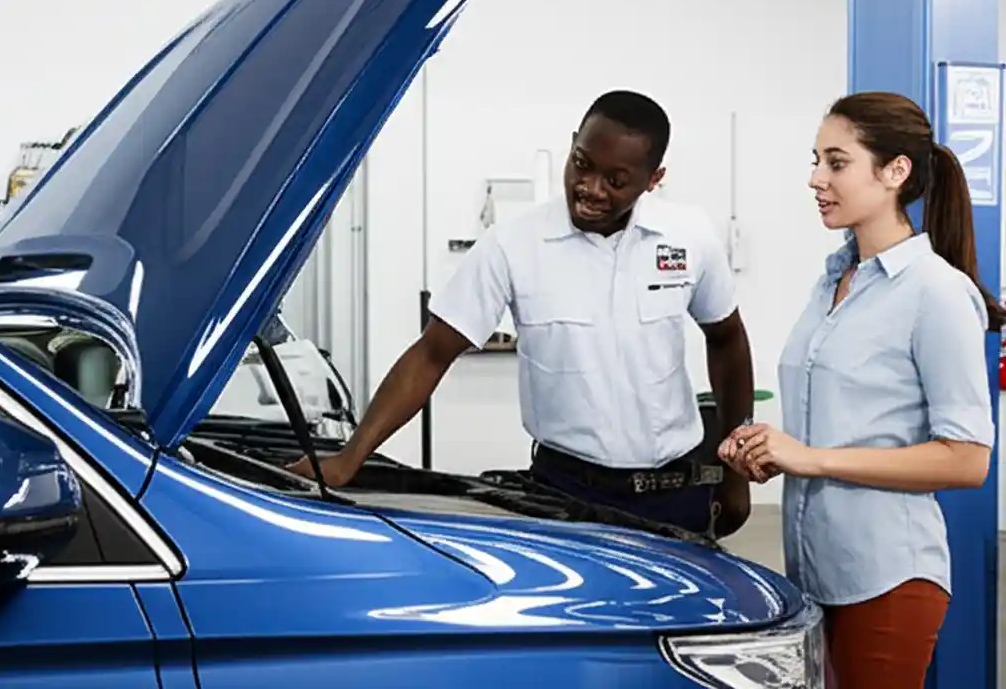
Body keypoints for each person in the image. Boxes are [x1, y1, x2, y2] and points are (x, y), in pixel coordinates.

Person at [289, 89, 756, 537]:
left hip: (674, 496)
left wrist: (734, 471)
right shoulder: (513, 244)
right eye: (582, 165)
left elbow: (728, 340)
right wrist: (349, 459)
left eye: (616, 181)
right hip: (564, 495)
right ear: (573, 144)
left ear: (653, 179)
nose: (590, 189)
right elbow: (431, 354)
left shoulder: (687, 236)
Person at [719, 91, 1000, 688]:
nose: (816, 179)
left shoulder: (937, 293)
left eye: (836, 162)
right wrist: (767, 449)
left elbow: (968, 458)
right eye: (815, 160)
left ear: (895, 172)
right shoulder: (831, 283)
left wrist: (811, 458)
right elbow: (840, 425)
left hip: (889, 577)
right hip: (813, 574)